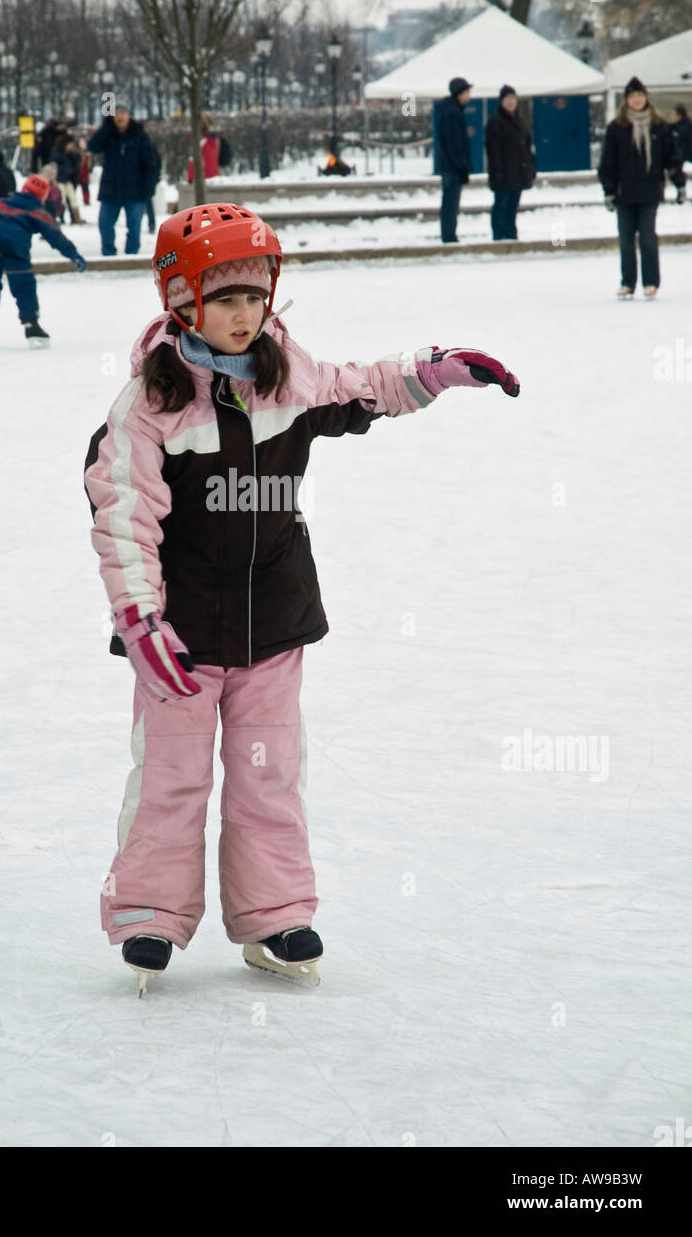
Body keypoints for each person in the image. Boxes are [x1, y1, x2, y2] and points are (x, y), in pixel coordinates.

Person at [82, 202, 520, 991]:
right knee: (171, 777)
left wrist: (435, 369)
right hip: (178, 643)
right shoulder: (148, 408)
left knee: (270, 772)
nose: (244, 314)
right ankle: (149, 914)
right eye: (224, 298)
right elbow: (122, 518)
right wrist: (140, 620)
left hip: (274, 624)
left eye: (256, 294)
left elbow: (363, 388)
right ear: (181, 301)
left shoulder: (290, 377)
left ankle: (275, 914)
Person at [0, 173, 87, 348]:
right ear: (43, 195)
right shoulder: (37, 210)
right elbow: (54, 235)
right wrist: (73, 254)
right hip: (15, 247)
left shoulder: (1, 203)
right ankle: (31, 325)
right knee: (24, 286)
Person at [598, 75, 686, 299]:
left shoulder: (659, 127)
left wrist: (680, 184)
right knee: (626, 239)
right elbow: (607, 163)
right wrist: (608, 190)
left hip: (649, 191)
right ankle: (628, 282)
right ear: (626, 100)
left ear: (646, 98)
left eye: (640, 95)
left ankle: (651, 282)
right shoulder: (617, 128)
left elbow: (672, 158)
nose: (636, 100)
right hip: (623, 192)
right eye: (632, 96)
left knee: (647, 236)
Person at [88, 103, 157, 255]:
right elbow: (93, 146)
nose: (120, 117)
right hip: (110, 189)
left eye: (123, 113)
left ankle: (131, 255)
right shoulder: (108, 134)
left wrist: (150, 186)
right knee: (105, 224)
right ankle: (108, 254)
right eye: (116, 114)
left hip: (135, 190)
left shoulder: (140, 135)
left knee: (134, 227)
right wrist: (106, 126)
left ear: (128, 116)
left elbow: (150, 162)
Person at [485, 84, 535, 240]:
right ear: (501, 101)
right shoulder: (495, 122)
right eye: (507, 99)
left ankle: (511, 235)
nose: (511, 102)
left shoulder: (519, 121)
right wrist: (497, 171)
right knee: (501, 205)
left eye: (513, 98)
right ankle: (499, 236)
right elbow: (493, 150)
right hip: (504, 173)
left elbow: (526, 147)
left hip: (518, 173)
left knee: (512, 207)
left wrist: (531, 168)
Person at [436, 77, 472, 243]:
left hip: (450, 166)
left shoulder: (452, 110)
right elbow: (454, 143)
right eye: (466, 92)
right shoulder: (452, 113)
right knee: (451, 203)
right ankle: (449, 236)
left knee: (450, 203)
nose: (468, 96)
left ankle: (449, 234)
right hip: (452, 168)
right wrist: (462, 166)